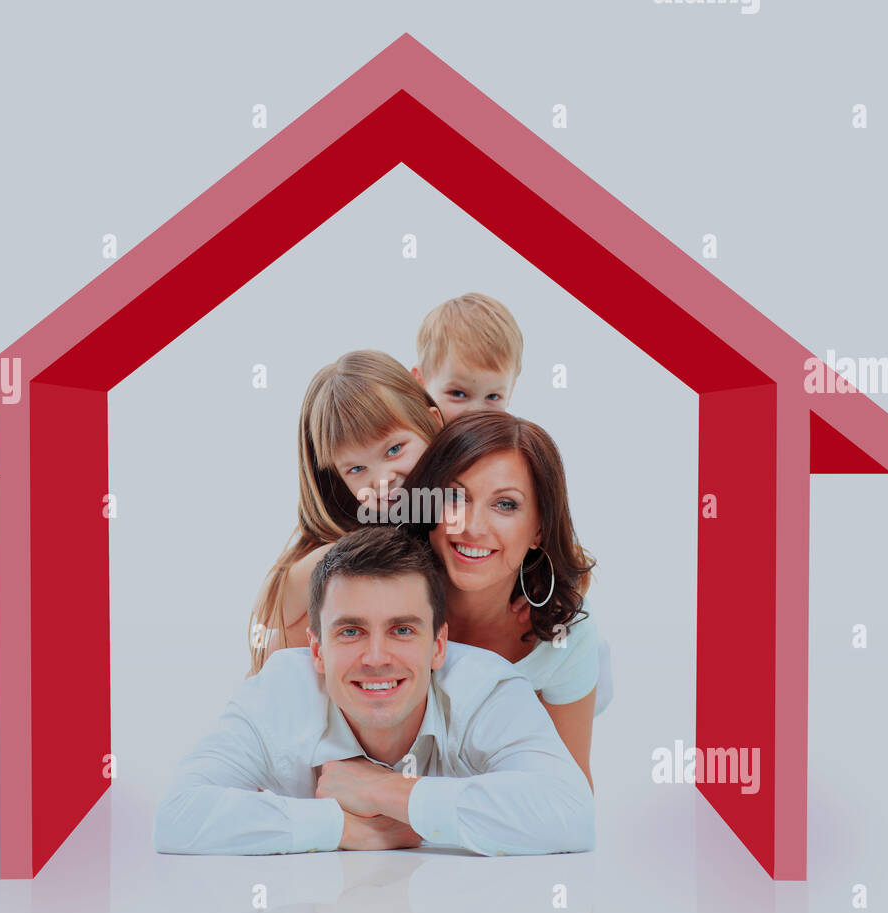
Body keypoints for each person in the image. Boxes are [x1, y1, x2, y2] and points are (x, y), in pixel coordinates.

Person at [155, 526, 595, 857]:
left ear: (438, 646)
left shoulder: (485, 689)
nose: (376, 657)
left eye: (403, 629)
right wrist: (337, 827)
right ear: (317, 650)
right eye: (351, 631)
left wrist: (388, 791)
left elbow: (573, 814)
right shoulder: (280, 691)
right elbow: (175, 815)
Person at [405, 411, 606, 789]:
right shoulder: (380, 594)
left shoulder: (566, 633)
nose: (472, 526)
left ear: (540, 530)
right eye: (454, 496)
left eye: (506, 505)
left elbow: (570, 797)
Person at [248, 351, 442, 674]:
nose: (381, 481)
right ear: (338, 479)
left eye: (394, 449)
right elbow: (271, 609)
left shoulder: (458, 500)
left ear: (433, 422)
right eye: (356, 468)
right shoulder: (350, 537)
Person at [411, 293, 523, 422]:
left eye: (492, 397)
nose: (476, 415)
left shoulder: (513, 440)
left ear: (510, 393)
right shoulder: (411, 439)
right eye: (458, 394)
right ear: (420, 383)